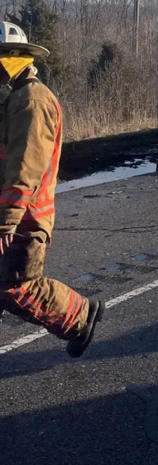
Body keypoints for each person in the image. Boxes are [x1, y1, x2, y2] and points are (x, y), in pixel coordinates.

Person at [0, 39, 103, 355]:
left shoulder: (32, 102)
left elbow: (25, 168)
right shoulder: (12, 99)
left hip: (23, 220)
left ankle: (79, 316)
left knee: (16, 287)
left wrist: (6, 223)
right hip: (12, 213)